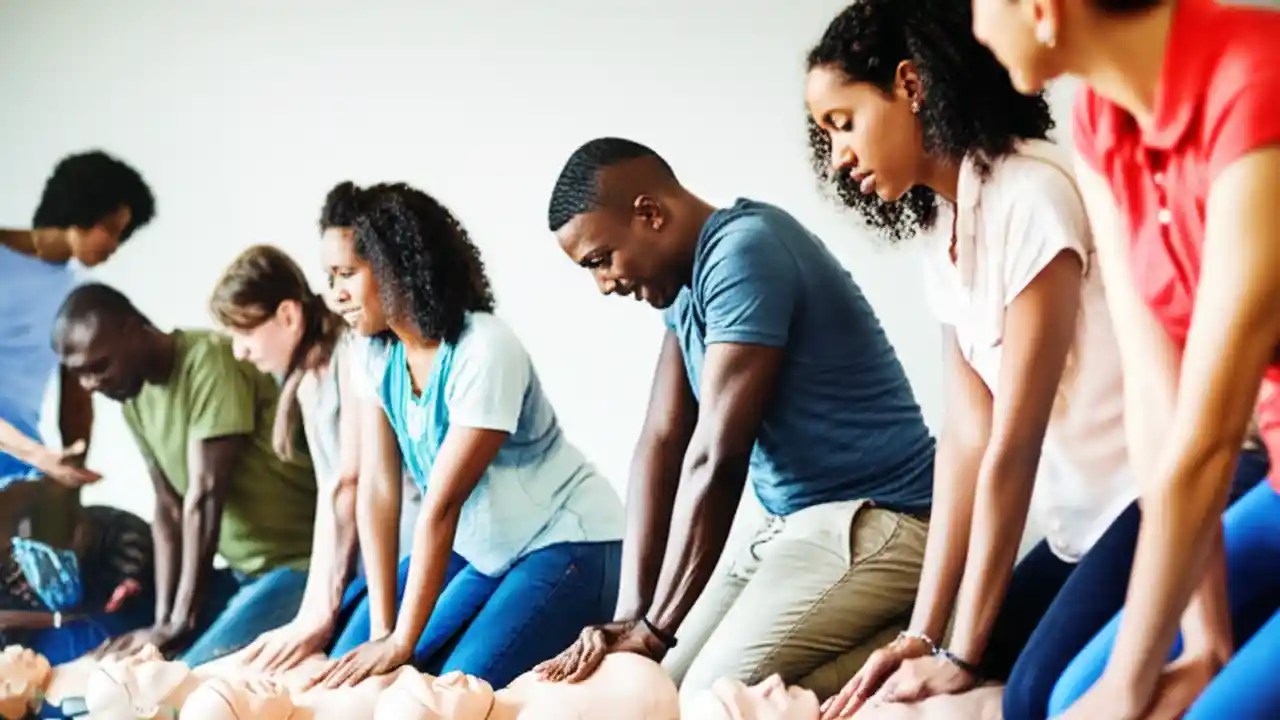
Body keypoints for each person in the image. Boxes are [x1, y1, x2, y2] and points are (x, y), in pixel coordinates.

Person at [803, 2, 1132, 717]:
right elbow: (967, 439)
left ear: (910, 85)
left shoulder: (1031, 194)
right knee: (944, 668)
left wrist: (962, 651)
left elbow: (1013, 441)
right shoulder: (943, 228)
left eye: (844, 123)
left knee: (1029, 689)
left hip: (1139, 504)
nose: (838, 157)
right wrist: (924, 634)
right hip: (1080, 527)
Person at [537, 137, 936, 705]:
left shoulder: (746, 251)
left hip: (884, 520)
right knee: (657, 686)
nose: (604, 284)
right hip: (794, 525)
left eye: (601, 260)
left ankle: (921, 637)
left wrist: (654, 631)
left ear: (649, 214)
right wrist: (631, 617)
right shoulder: (684, 288)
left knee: (708, 698)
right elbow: (662, 442)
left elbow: (715, 457)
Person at [971, 0, 1280, 717]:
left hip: (1239, 457)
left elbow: (1207, 439)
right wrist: (1205, 641)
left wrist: (1133, 679)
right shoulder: (1102, 122)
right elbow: (1158, 400)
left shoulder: (1256, 83)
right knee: (1065, 695)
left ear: (1042, 8)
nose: (976, 28)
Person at [314, 182, 624, 689]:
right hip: (485, 549)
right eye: (330, 277)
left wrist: (400, 645)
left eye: (348, 275)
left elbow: (440, 506)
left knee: (454, 691)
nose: (336, 295)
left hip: (568, 541)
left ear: (397, 268)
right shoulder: (371, 351)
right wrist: (383, 631)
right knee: (351, 674)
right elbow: (378, 488)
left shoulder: (484, 348)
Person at [53, 283, 318, 667]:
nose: (91, 385)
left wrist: (179, 622)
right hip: (242, 574)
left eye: (100, 366)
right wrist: (162, 623)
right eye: (80, 374)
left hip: (297, 565)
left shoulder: (210, 360)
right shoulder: (134, 398)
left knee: (185, 678)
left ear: (133, 330)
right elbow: (167, 508)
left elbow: (205, 495)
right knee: (124, 664)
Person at [208, 244, 368, 673]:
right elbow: (330, 498)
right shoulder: (307, 384)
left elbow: (348, 482)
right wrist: (312, 612)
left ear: (288, 316)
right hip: (364, 567)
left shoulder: (352, 354)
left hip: (401, 560)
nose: (239, 352)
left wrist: (320, 613)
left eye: (244, 333)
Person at [0, 150, 155, 490]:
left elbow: (76, 398)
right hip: (25, 454)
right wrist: (35, 454)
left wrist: (74, 471)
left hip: (15, 472)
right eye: (110, 229)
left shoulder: (74, 298)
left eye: (122, 235)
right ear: (82, 209)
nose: (114, 245)